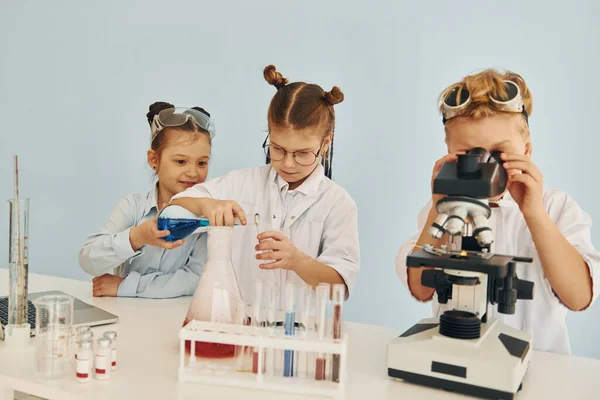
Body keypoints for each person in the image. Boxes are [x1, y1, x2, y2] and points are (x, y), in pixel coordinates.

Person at [395, 69, 600, 354]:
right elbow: (420, 287)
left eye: (499, 153)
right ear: (449, 153)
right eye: (470, 154)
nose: (486, 165)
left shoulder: (556, 208)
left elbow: (579, 297)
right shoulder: (444, 211)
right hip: (459, 355)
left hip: (540, 366)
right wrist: (438, 205)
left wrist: (534, 213)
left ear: (526, 151)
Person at [171, 65, 360, 305]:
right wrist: (205, 205)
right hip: (241, 327)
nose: (288, 164)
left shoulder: (337, 203)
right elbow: (174, 208)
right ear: (269, 133)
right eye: (278, 149)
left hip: (303, 332)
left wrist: (297, 260)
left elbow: (340, 285)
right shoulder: (242, 183)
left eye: (302, 153)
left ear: (325, 143)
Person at [78, 102, 215, 298]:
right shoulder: (133, 206)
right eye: (181, 161)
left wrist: (125, 287)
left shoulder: (206, 219)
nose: (193, 172)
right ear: (154, 160)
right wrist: (137, 236)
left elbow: (194, 279)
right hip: (128, 317)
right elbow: (88, 259)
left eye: (202, 163)